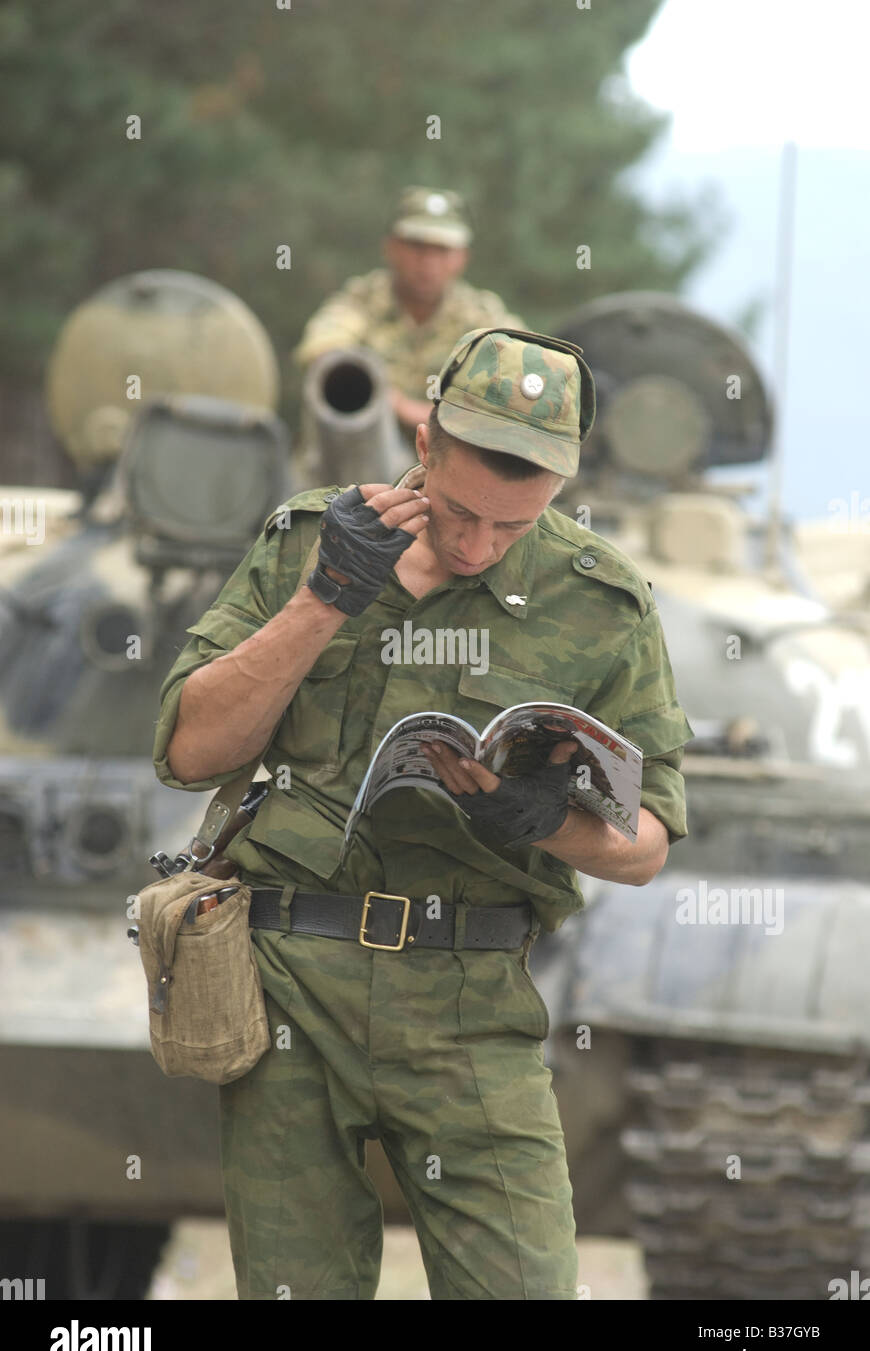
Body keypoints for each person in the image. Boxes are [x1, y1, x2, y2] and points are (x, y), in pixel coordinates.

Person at [152, 326, 693, 1301]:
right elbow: (192, 752)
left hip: (471, 1005)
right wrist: (326, 597)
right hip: (288, 995)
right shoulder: (311, 538)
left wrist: (539, 820)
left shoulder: (602, 604)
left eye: (513, 526)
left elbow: (646, 845)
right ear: (426, 441)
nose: (477, 544)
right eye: (458, 511)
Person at [294, 185, 526, 445]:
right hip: (358, 452)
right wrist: (383, 399)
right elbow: (324, 349)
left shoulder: (480, 314)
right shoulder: (362, 302)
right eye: (417, 246)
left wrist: (444, 414)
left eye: (442, 250)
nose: (428, 262)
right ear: (390, 247)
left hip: (453, 454)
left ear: (462, 257)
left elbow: (526, 369)